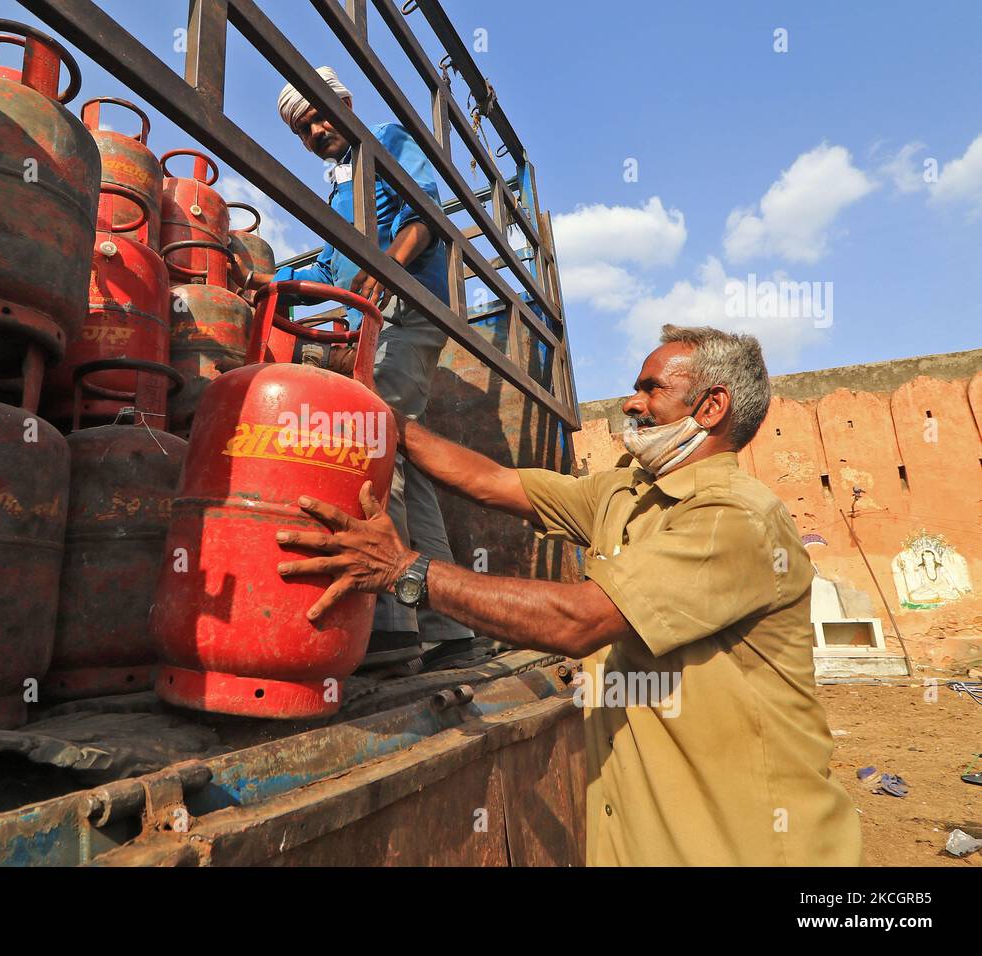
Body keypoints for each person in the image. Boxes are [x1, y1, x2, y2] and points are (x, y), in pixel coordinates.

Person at [272, 324, 864, 866]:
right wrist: (384, 418)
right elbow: (491, 481)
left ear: (710, 408)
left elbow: (577, 622)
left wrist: (407, 570)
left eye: (650, 388)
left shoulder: (734, 518)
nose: (631, 403)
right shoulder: (627, 493)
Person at [234, 66, 476, 671]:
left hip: (408, 309)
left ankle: (392, 626)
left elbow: (426, 216)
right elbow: (336, 271)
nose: (317, 128)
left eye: (321, 113)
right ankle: (450, 627)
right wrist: (277, 283)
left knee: (375, 445)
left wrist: (386, 269)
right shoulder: (342, 192)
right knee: (401, 460)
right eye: (304, 128)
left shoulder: (389, 142)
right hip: (372, 318)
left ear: (344, 102)